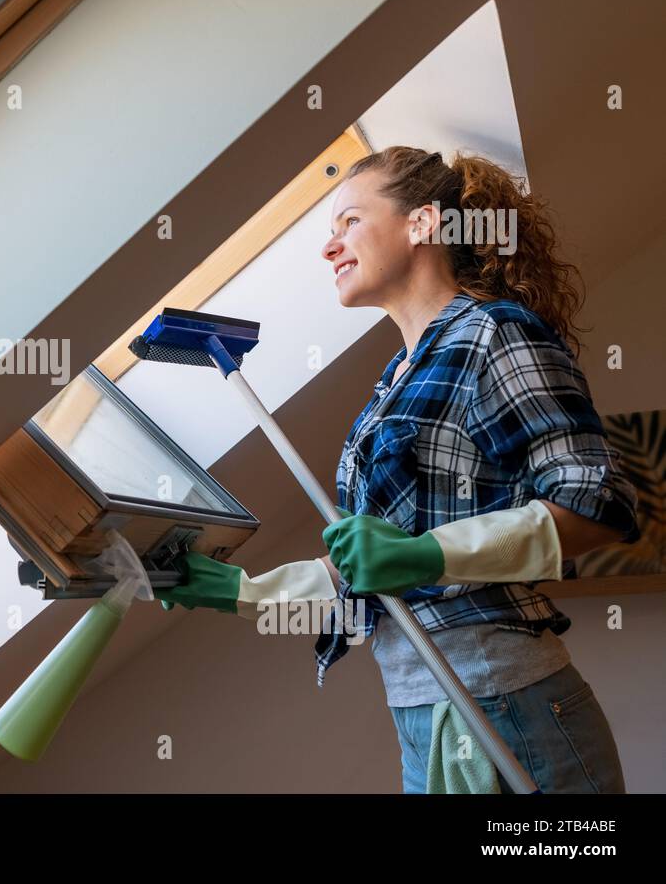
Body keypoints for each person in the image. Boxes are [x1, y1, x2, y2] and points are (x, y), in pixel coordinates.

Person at [156, 146, 640, 793]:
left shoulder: (494, 335)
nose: (330, 247)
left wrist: (425, 555)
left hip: (508, 707)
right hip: (419, 715)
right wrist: (240, 591)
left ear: (422, 225)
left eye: (349, 221)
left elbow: (597, 503)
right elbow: (370, 571)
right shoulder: (394, 382)